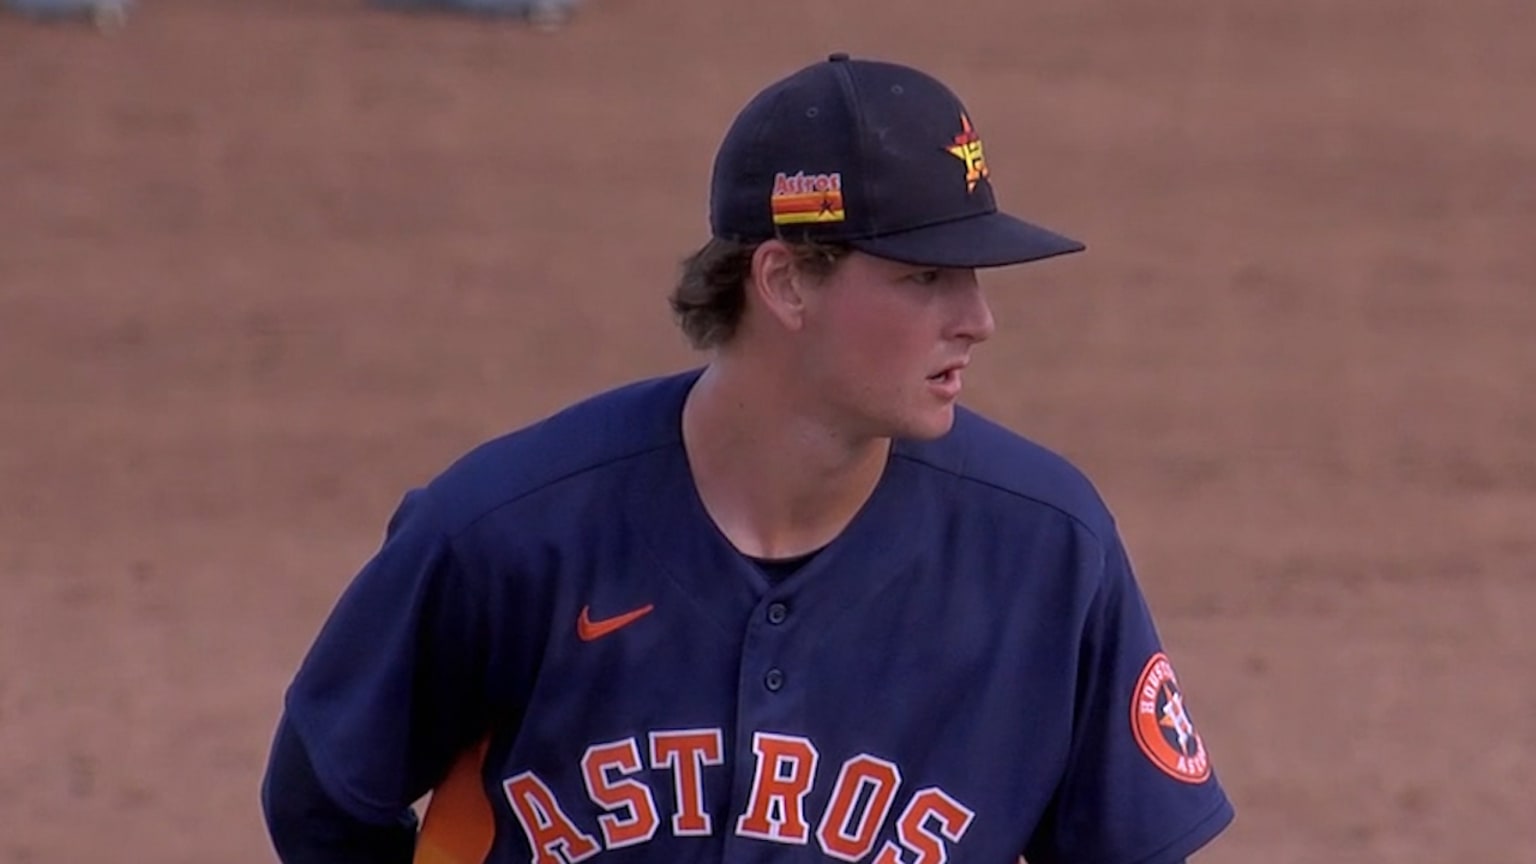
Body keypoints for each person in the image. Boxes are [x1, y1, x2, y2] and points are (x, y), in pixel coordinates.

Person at [261, 52, 1235, 864]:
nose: (976, 319)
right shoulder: (508, 534)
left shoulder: (1045, 552)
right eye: (925, 277)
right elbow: (324, 800)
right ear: (786, 280)